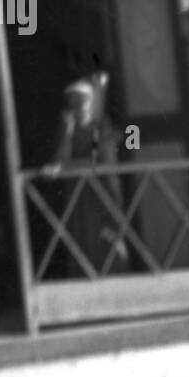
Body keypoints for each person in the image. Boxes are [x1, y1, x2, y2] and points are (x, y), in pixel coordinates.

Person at [39, 69, 128, 276]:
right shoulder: (70, 126)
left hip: (105, 195)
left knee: (109, 242)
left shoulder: (103, 127)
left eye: (84, 101)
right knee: (82, 242)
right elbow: (61, 158)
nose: (79, 107)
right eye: (74, 102)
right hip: (80, 197)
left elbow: (98, 163)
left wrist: (62, 168)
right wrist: (68, 132)